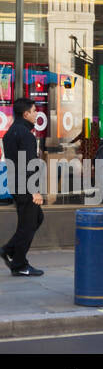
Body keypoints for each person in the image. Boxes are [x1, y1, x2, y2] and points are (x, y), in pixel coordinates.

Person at [2, 98, 46, 277]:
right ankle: (19, 264)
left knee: (36, 219)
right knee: (28, 225)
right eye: (34, 110)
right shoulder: (25, 134)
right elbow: (28, 163)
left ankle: (9, 249)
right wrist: (34, 190)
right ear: (26, 114)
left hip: (16, 185)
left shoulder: (11, 132)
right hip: (26, 187)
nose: (36, 114)